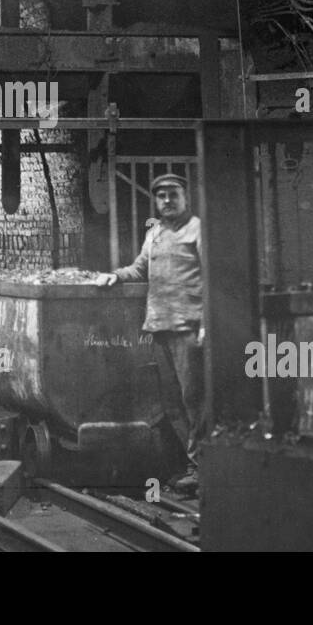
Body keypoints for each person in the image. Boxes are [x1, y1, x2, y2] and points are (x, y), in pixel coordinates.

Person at [94, 172, 205, 494]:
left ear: (186, 197)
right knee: (172, 403)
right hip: (159, 325)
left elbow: (212, 279)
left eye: (173, 194)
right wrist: (115, 276)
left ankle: (204, 469)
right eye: (161, 196)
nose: (167, 201)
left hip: (188, 327)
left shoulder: (198, 230)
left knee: (194, 399)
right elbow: (140, 267)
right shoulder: (155, 232)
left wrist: (207, 326)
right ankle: (191, 465)